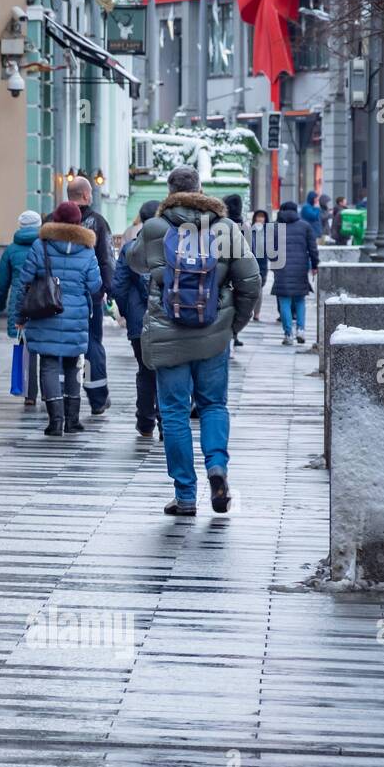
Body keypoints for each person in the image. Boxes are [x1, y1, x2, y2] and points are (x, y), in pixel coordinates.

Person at [126, 166, 260, 516]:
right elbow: (251, 282)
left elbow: (133, 262)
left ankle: (185, 495)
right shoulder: (226, 229)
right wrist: (233, 326)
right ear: (201, 190)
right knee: (213, 405)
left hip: (167, 333)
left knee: (173, 414)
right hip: (213, 335)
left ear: (170, 193)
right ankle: (217, 468)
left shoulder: (156, 228)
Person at [16, 200, 102, 437]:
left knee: (49, 365)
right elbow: (95, 285)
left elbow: (24, 282)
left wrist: (19, 315)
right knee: (74, 364)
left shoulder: (40, 246)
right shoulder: (87, 250)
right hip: (75, 315)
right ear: (78, 222)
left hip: (45, 313)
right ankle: (72, 420)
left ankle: (55, 421)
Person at [65, 176, 114, 415]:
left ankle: (60, 396)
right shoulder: (97, 223)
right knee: (92, 344)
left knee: (61, 346)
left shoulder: (52, 220)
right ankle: (97, 398)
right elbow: (106, 259)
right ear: (85, 195)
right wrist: (108, 291)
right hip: (89, 297)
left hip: (56, 298)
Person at [111, 200, 160, 439]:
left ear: (140, 219)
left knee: (145, 370)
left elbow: (118, 286)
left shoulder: (130, 248)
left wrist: (127, 312)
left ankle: (145, 422)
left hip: (139, 323)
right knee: (166, 371)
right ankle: (167, 423)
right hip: (167, 321)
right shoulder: (173, 246)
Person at [0, 210, 43, 406]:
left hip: (21, 304)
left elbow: (1, 282)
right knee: (46, 348)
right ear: (39, 225)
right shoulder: (45, 247)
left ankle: (30, 395)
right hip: (44, 302)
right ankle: (50, 392)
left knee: (26, 349)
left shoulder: (11, 250)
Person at [271, 198, 319, 345]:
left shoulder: (274, 227)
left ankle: (288, 334)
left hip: (281, 267)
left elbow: (268, 250)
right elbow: (312, 249)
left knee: (284, 300)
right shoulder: (305, 226)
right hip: (300, 268)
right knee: (300, 299)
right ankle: (301, 330)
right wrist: (315, 265)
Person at [223, 194, 247, 346]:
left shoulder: (221, 223)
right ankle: (234, 333)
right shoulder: (242, 224)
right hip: (239, 269)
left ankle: (229, 335)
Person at [248, 208, 271, 321]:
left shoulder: (268, 232)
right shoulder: (249, 230)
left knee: (260, 289)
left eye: (262, 217)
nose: (260, 219)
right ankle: (250, 310)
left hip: (262, 263)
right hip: (250, 262)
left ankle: (257, 312)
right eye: (258, 216)